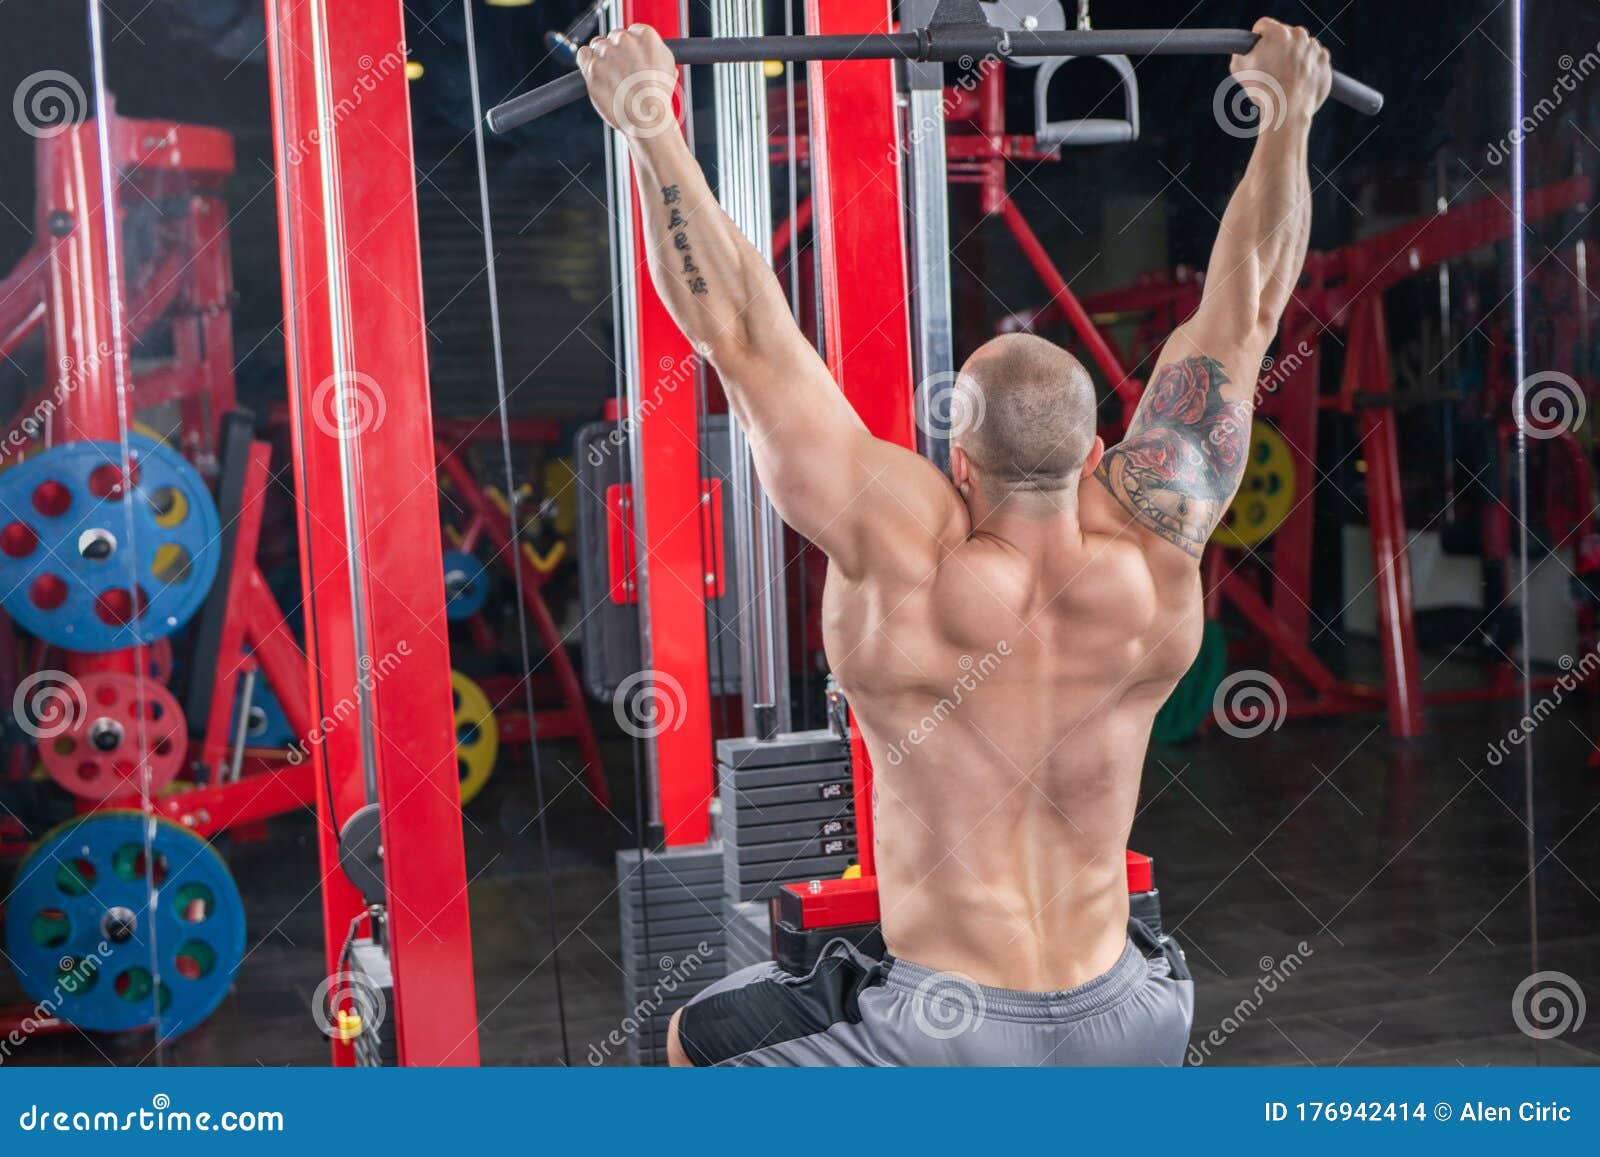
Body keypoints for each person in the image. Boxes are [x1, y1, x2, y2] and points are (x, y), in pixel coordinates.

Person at [576, 16, 1331, 1066]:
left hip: (945, 1034)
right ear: (1102, 446)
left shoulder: (904, 556)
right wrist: (1288, 118)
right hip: (1133, 1015)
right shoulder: (1157, 541)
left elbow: (742, 336)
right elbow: (1245, 310)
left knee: (693, 1037)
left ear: (957, 462)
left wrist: (650, 123)